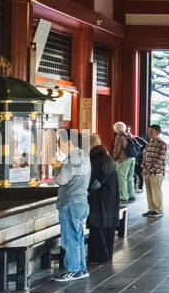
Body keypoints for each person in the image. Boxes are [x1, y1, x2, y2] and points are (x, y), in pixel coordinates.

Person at [51, 138, 91, 282]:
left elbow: (62, 180)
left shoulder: (72, 158)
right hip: (81, 201)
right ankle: (81, 268)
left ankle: (73, 270)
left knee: (70, 238)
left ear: (69, 142)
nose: (60, 147)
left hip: (70, 202)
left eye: (60, 143)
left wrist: (55, 167)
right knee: (78, 236)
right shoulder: (85, 157)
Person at [86, 136, 120, 264]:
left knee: (98, 229)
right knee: (107, 230)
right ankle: (106, 255)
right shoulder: (106, 157)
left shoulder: (96, 160)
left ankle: (99, 256)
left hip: (100, 200)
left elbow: (94, 182)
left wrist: (86, 191)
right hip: (110, 199)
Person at [141, 125, 167, 217]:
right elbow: (145, 157)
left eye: (151, 132)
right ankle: (151, 209)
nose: (149, 133)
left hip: (157, 172)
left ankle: (158, 210)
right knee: (149, 191)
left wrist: (149, 170)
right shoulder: (149, 143)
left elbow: (160, 160)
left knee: (156, 191)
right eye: (149, 132)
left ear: (158, 133)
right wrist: (143, 168)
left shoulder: (162, 144)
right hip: (147, 171)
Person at [111, 121, 136, 204]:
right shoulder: (129, 135)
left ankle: (123, 196)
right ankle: (131, 194)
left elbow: (117, 149)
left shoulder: (119, 137)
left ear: (117, 128)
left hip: (123, 159)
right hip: (132, 158)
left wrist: (114, 158)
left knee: (122, 178)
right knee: (130, 177)